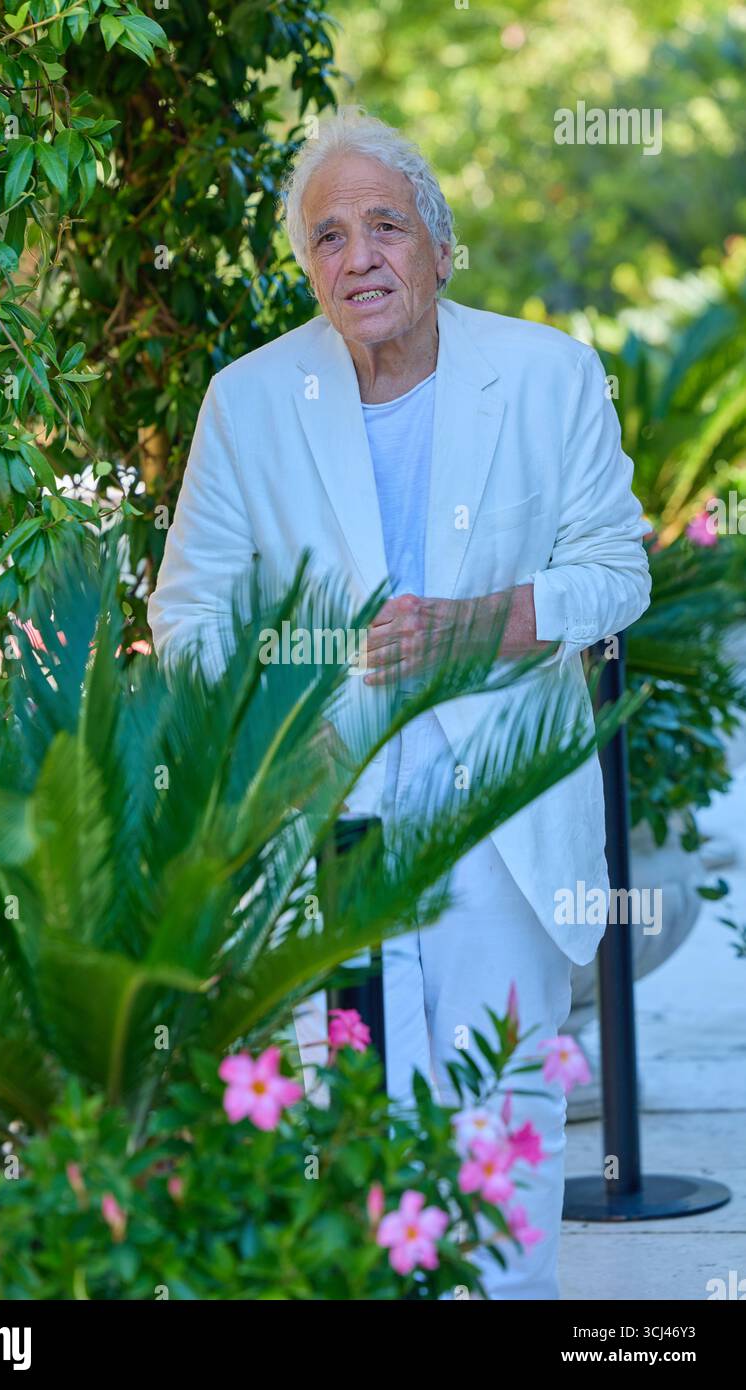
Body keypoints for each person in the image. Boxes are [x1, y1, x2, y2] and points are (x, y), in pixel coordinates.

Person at [147, 106, 652, 1298]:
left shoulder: (545, 373)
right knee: (342, 1132)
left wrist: (471, 626)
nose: (357, 256)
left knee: (497, 1117)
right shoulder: (249, 400)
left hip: (501, 818)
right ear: (307, 266)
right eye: (326, 236)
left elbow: (615, 573)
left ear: (434, 240)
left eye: (382, 225)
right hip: (324, 818)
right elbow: (188, 616)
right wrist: (304, 679)